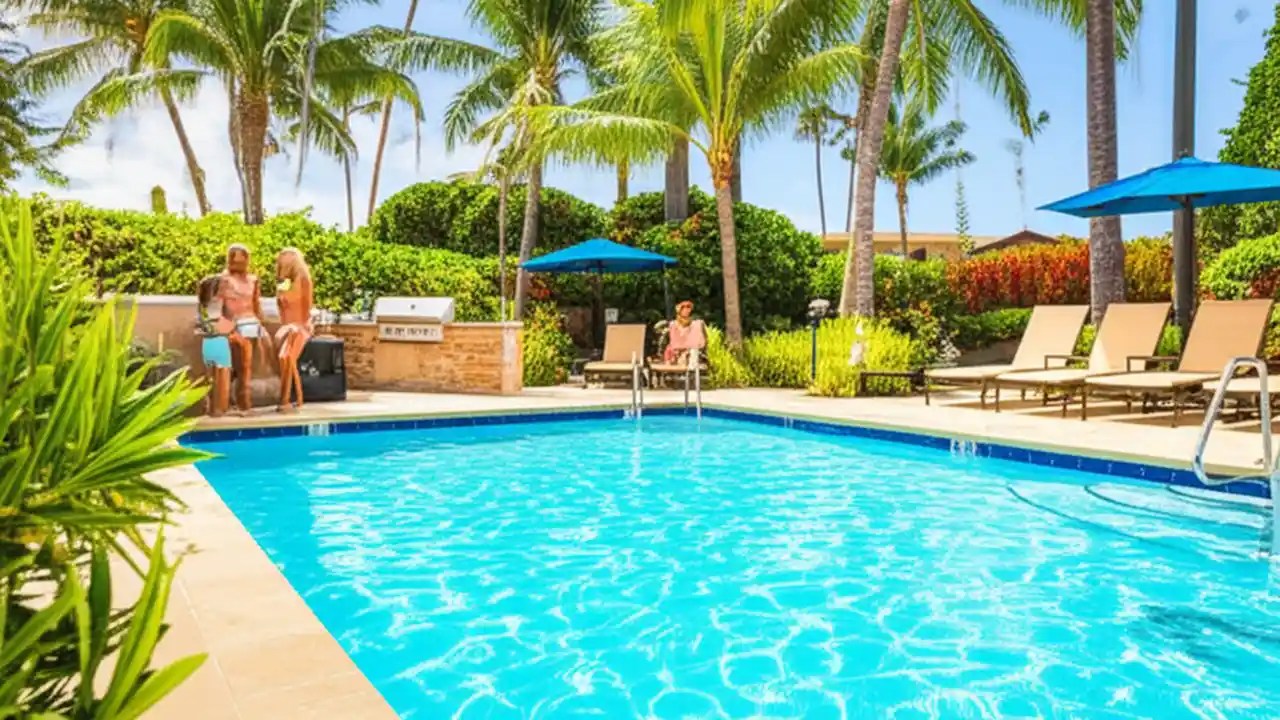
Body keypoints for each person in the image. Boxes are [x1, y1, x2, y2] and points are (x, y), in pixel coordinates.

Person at [221, 243, 271, 414]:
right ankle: (239, 401)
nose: (239, 265)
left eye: (243, 261)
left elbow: (256, 304)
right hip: (234, 325)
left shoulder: (253, 280)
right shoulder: (224, 280)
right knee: (236, 366)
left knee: (246, 366)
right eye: (236, 261)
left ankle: (244, 401)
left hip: (251, 324)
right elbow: (219, 306)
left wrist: (262, 324)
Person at [274, 247, 314, 412]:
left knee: (287, 357)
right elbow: (282, 314)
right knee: (284, 358)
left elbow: (308, 308)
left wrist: (300, 326)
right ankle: (296, 398)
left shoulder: (304, 279)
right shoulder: (284, 284)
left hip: (301, 326)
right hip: (288, 327)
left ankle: (285, 400)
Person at [196, 275, 235, 417]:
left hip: (207, 343)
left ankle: (211, 409)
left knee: (210, 379)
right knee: (223, 379)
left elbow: (200, 327)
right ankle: (220, 410)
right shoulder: (219, 303)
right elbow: (228, 323)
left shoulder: (202, 306)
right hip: (219, 341)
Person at [664, 300, 707, 364]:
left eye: (688, 308)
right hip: (677, 351)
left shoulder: (694, 324)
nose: (686, 310)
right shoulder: (674, 324)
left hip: (690, 350)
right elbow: (674, 342)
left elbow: (700, 341)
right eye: (684, 308)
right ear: (680, 311)